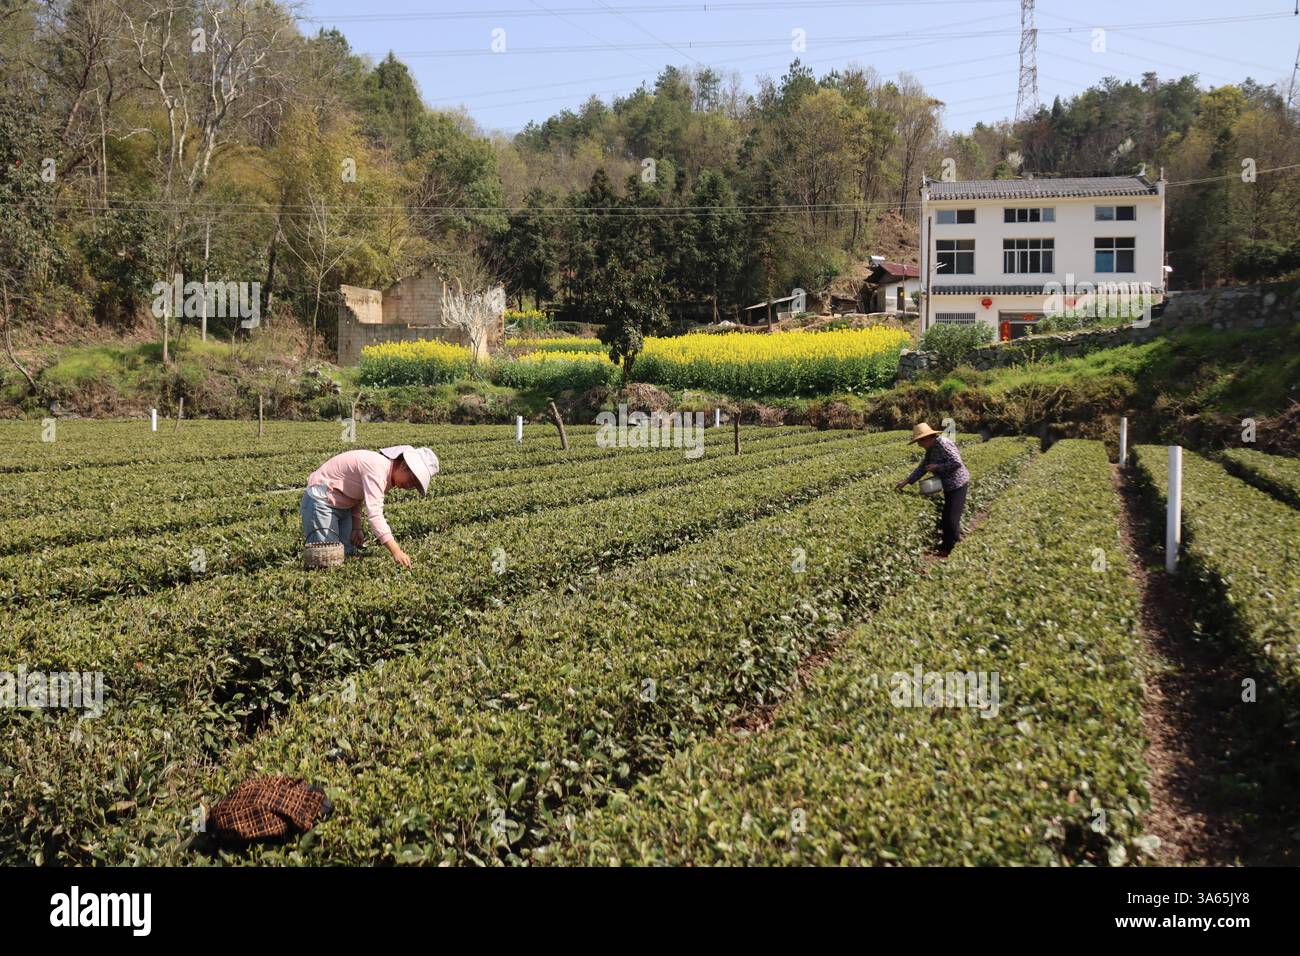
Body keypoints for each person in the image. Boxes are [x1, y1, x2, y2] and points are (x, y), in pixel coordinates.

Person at [300, 444, 439, 567]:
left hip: (343, 504)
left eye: (415, 485)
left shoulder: (386, 474)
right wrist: (396, 551)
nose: (411, 486)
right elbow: (375, 515)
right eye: (412, 480)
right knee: (326, 559)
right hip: (322, 501)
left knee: (346, 554)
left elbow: (357, 495)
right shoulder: (378, 470)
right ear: (403, 466)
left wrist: (356, 526)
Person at [895, 423, 970, 557]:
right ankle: (947, 544)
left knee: (951, 518)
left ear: (927, 438)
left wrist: (937, 467)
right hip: (947, 484)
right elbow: (923, 467)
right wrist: (906, 481)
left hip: (958, 484)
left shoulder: (943, 443)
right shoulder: (931, 448)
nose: (919, 445)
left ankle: (952, 549)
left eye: (919, 441)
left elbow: (957, 462)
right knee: (947, 516)